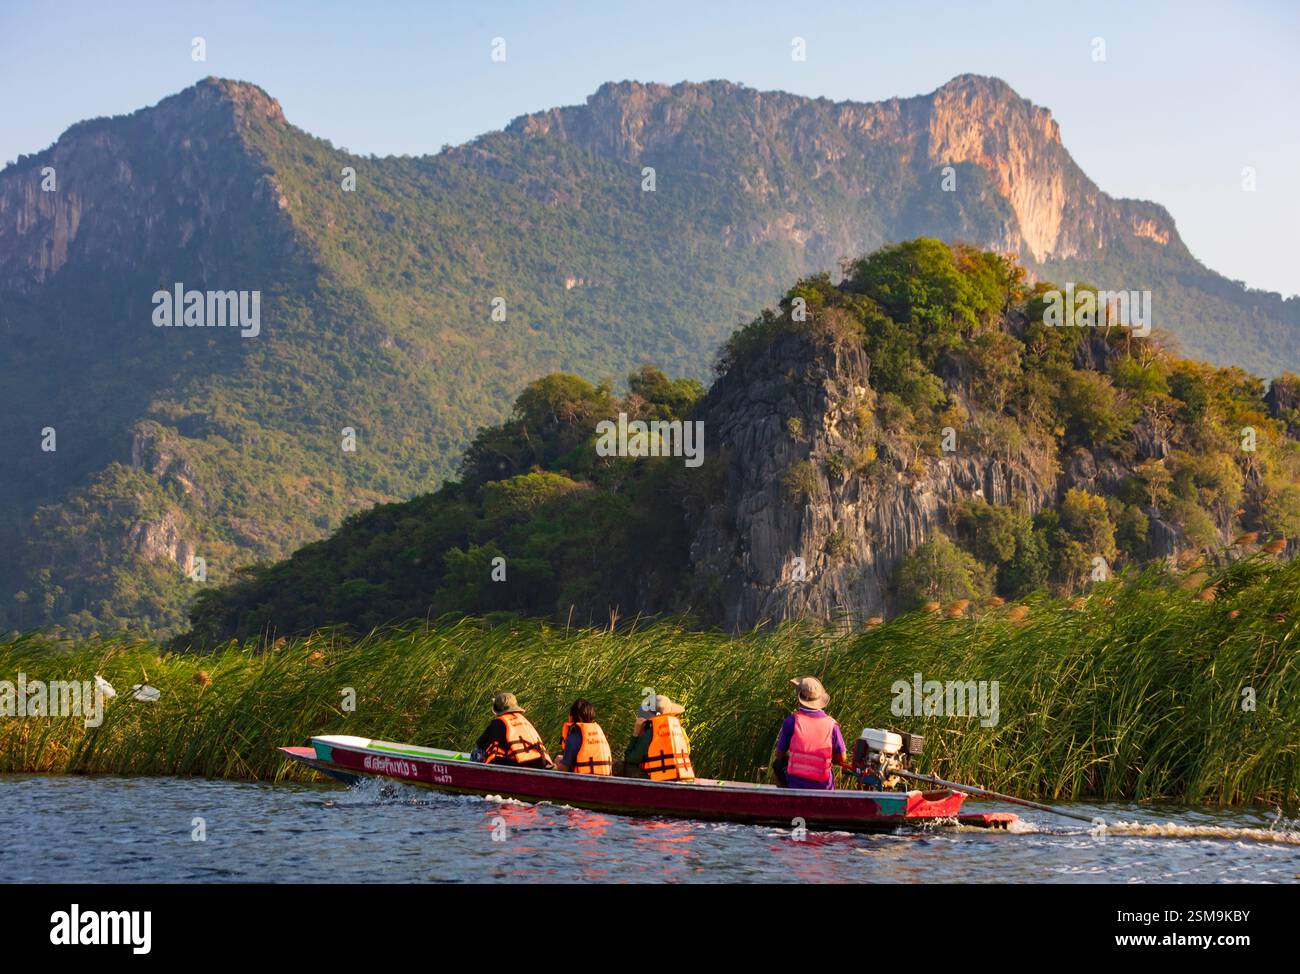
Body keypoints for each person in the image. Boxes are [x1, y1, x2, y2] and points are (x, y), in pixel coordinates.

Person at [772, 676, 849, 790]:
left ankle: (785, 799)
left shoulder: (791, 721)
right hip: (823, 787)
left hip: (795, 785)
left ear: (799, 698)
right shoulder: (832, 724)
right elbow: (842, 758)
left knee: (777, 765)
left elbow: (779, 755)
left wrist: (792, 756)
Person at [623, 694, 694, 782]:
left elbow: (631, 758)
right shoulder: (681, 730)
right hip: (684, 779)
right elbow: (688, 752)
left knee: (624, 766)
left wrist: (636, 733)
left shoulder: (650, 733)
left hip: (661, 781)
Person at [471, 692, 553, 769]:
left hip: (518, 764)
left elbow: (480, 743)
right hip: (539, 763)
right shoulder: (524, 721)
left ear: (496, 709)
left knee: (478, 752)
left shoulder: (499, 722)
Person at [554, 698, 613, 775]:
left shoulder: (573, 738)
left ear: (572, 717)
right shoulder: (600, 735)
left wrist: (557, 762)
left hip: (583, 783)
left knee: (557, 762)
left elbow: (564, 769)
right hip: (605, 782)